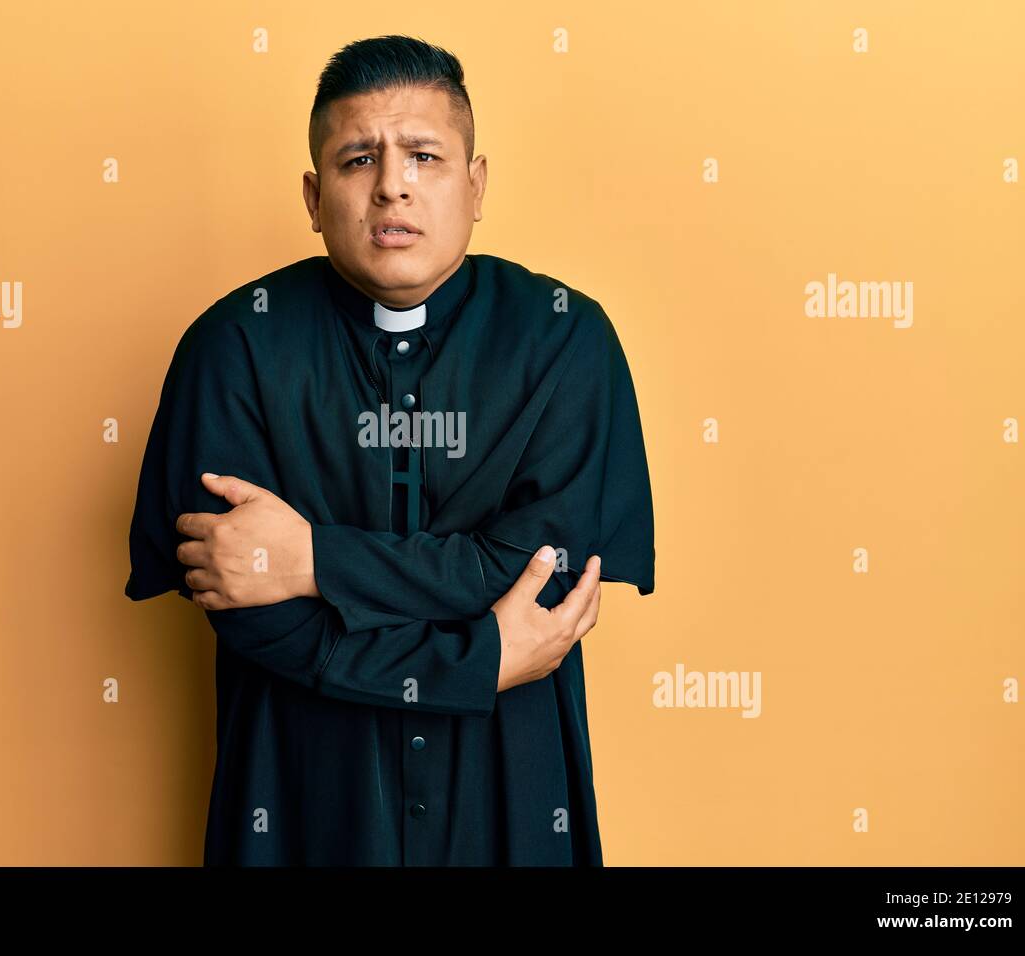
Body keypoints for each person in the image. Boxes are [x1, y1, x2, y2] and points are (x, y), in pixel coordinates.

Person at [124, 34, 655, 866]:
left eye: (424, 156)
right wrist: (481, 658)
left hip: (510, 800)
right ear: (312, 194)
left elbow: (542, 571)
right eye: (358, 158)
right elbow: (251, 611)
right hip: (300, 801)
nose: (392, 185)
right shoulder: (233, 346)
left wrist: (314, 559)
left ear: (476, 186)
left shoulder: (565, 338)